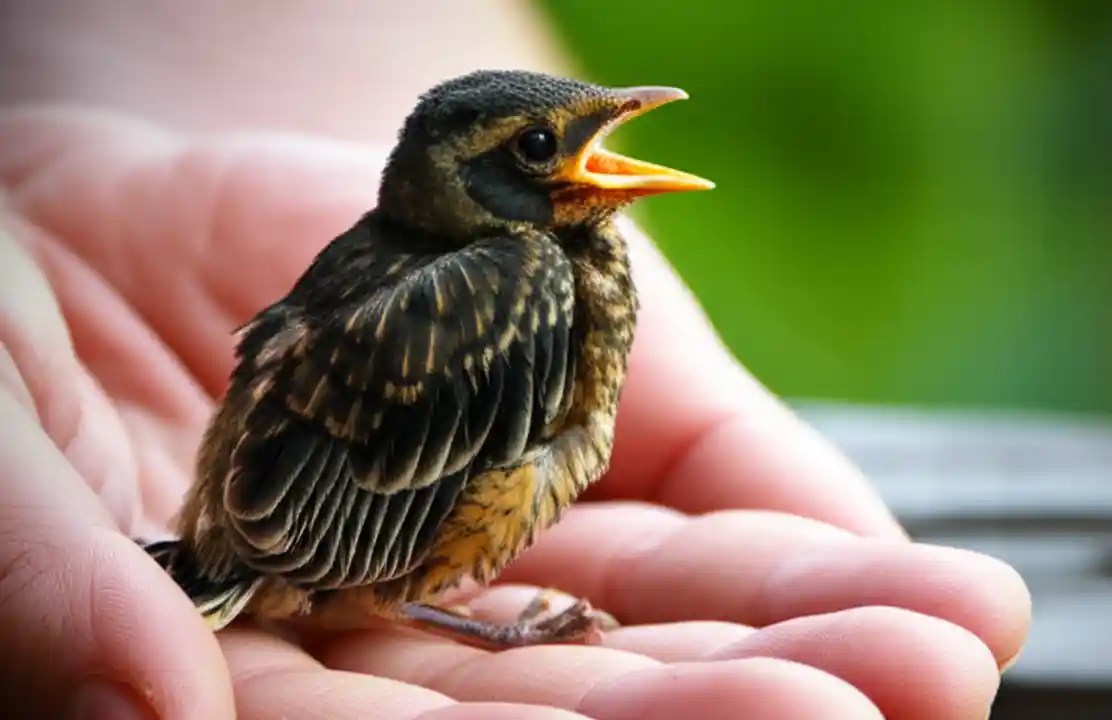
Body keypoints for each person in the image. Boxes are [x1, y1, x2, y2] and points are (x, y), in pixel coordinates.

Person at [0, 3, 1030, 718]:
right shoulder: (524, 277)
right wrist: (496, 634)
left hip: (260, 527)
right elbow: (403, 504)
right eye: (536, 148)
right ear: (471, 183)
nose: (581, 146)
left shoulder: (483, 263)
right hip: (305, 554)